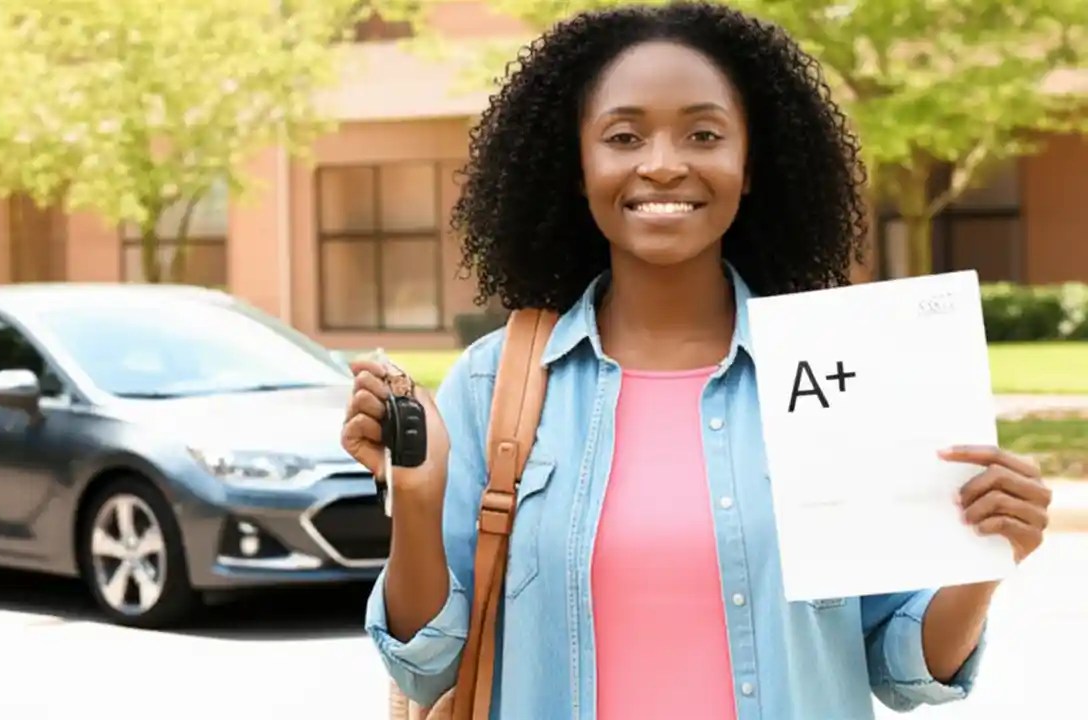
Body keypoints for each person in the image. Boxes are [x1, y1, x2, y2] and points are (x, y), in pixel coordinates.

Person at [339, 2, 1053, 718]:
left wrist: (981, 565)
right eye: (623, 136)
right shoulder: (496, 385)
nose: (662, 164)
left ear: (749, 167)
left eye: (703, 134)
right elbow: (428, 666)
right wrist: (420, 502)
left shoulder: (839, 373)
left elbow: (902, 671)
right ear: (579, 167)